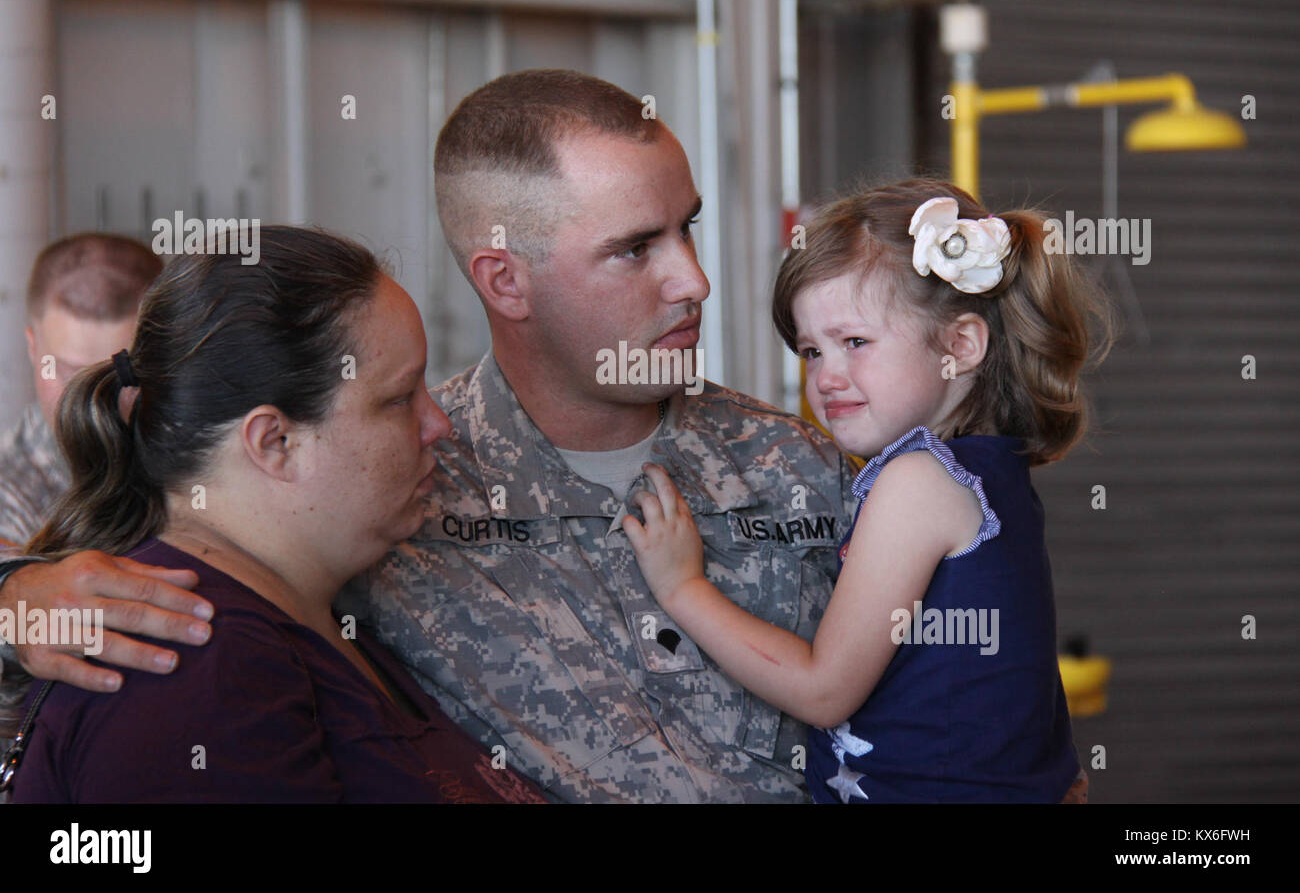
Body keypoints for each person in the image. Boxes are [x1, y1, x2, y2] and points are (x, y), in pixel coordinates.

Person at [0, 70, 855, 803]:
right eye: (634, 248)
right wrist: (12, 605)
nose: (695, 280)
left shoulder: (802, 468)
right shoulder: (389, 501)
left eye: (688, 228)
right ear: (504, 279)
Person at [4, 226, 545, 803]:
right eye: (397, 398)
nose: (440, 424)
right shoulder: (190, 662)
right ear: (274, 441)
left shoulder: (309, 609)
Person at [626, 178, 1110, 802]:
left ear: (959, 345)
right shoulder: (994, 472)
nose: (827, 378)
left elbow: (823, 691)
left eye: (855, 342)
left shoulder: (917, 482)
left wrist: (682, 587)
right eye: (810, 350)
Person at [0, 233, 162, 549]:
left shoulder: (198, 458)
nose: (92, 400)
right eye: (68, 373)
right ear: (32, 348)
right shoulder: (10, 492)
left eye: (119, 375)